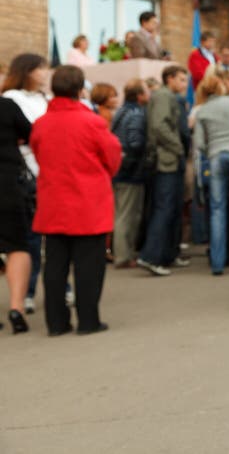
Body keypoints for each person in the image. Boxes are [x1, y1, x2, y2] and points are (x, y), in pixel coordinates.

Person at [31, 65, 121, 336]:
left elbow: (38, 154)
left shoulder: (41, 123)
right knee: (88, 266)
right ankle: (88, 320)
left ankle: (56, 323)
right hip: (88, 202)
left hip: (53, 202)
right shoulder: (92, 122)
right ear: (80, 89)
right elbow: (112, 156)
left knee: (55, 266)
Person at [1, 53, 49, 315]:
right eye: (40, 69)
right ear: (26, 71)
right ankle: (24, 296)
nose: (44, 73)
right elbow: (32, 135)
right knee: (26, 238)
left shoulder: (43, 99)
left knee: (46, 235)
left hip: (41, 174)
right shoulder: (10, 101)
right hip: (22, 176)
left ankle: (55, 288)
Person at [193, 72, 229, 276]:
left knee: (217, 210)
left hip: (215, 157)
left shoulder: (202, 110)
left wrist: (212, 147)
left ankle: (217, 263)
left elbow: (199, 143)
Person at [138, 65, 190, 276]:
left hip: (170, 160)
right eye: (181, 79)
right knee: (164, 208)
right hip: (165, 161)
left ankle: (167, 254)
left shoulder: (167, 96)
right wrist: (178, 147)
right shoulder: (163, 96)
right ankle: (151, 256)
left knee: (172, 208)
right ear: (170, 79)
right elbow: (159, 126)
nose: (185, 84)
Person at [0, 97, 33, 333]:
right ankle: (16, 308)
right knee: (17, 246)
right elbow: (30, 134)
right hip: (6, 183)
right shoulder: (6, 106)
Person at [111, 79, 150, 269]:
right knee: (127, 215)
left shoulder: (121, 111)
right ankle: (123, 256)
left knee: (120, 213)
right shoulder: (136, 114)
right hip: (130, 171)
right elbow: (135, 143)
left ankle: (121, 253)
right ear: (140, 95)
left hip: (119, 169)